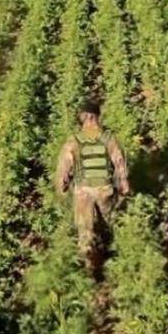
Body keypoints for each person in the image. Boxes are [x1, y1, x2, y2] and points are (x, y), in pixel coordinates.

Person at [55, 102, 130, 271]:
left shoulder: (74, 141)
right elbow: (120, 163)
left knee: (85, 233)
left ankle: (89, 268)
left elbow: (64, 170)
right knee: (108, 227)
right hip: (105, 191)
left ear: (83, 118)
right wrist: (124, 183)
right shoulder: (108, 138)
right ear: (97, 116)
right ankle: (110, 263)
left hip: (83, 193)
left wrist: (63, 186)